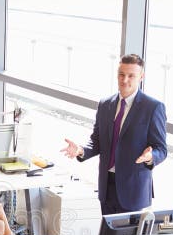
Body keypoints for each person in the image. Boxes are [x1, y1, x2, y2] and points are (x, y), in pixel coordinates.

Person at [61, 54, 167, 215]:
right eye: (121, 74)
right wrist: (80, 150)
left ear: (141, 77)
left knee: (129, 233)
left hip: (133, 190)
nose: (125, 80)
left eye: (131, 76)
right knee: (108, 231)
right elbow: (97, 141)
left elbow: (161, 149)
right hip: (107, 187)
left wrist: (151, 156)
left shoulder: (153, 107)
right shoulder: (105, 104)